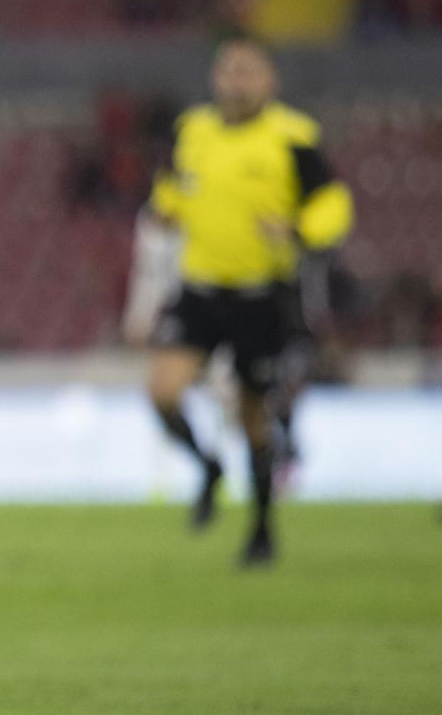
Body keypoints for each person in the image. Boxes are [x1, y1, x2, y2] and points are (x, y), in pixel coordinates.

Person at [137, 37, 353, 567]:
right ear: (214, 79)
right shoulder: (193, 130)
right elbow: (173, 188)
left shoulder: (293, 136)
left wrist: (299, 229)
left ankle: (261, 528)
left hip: (261, 294)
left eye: (247, 72)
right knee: (162, 391)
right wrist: (164, 209)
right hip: (200, 288)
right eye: (228, 71)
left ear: (269, 81)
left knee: (253, 414)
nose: (236, 82)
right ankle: (207, 467)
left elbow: (333, 202)